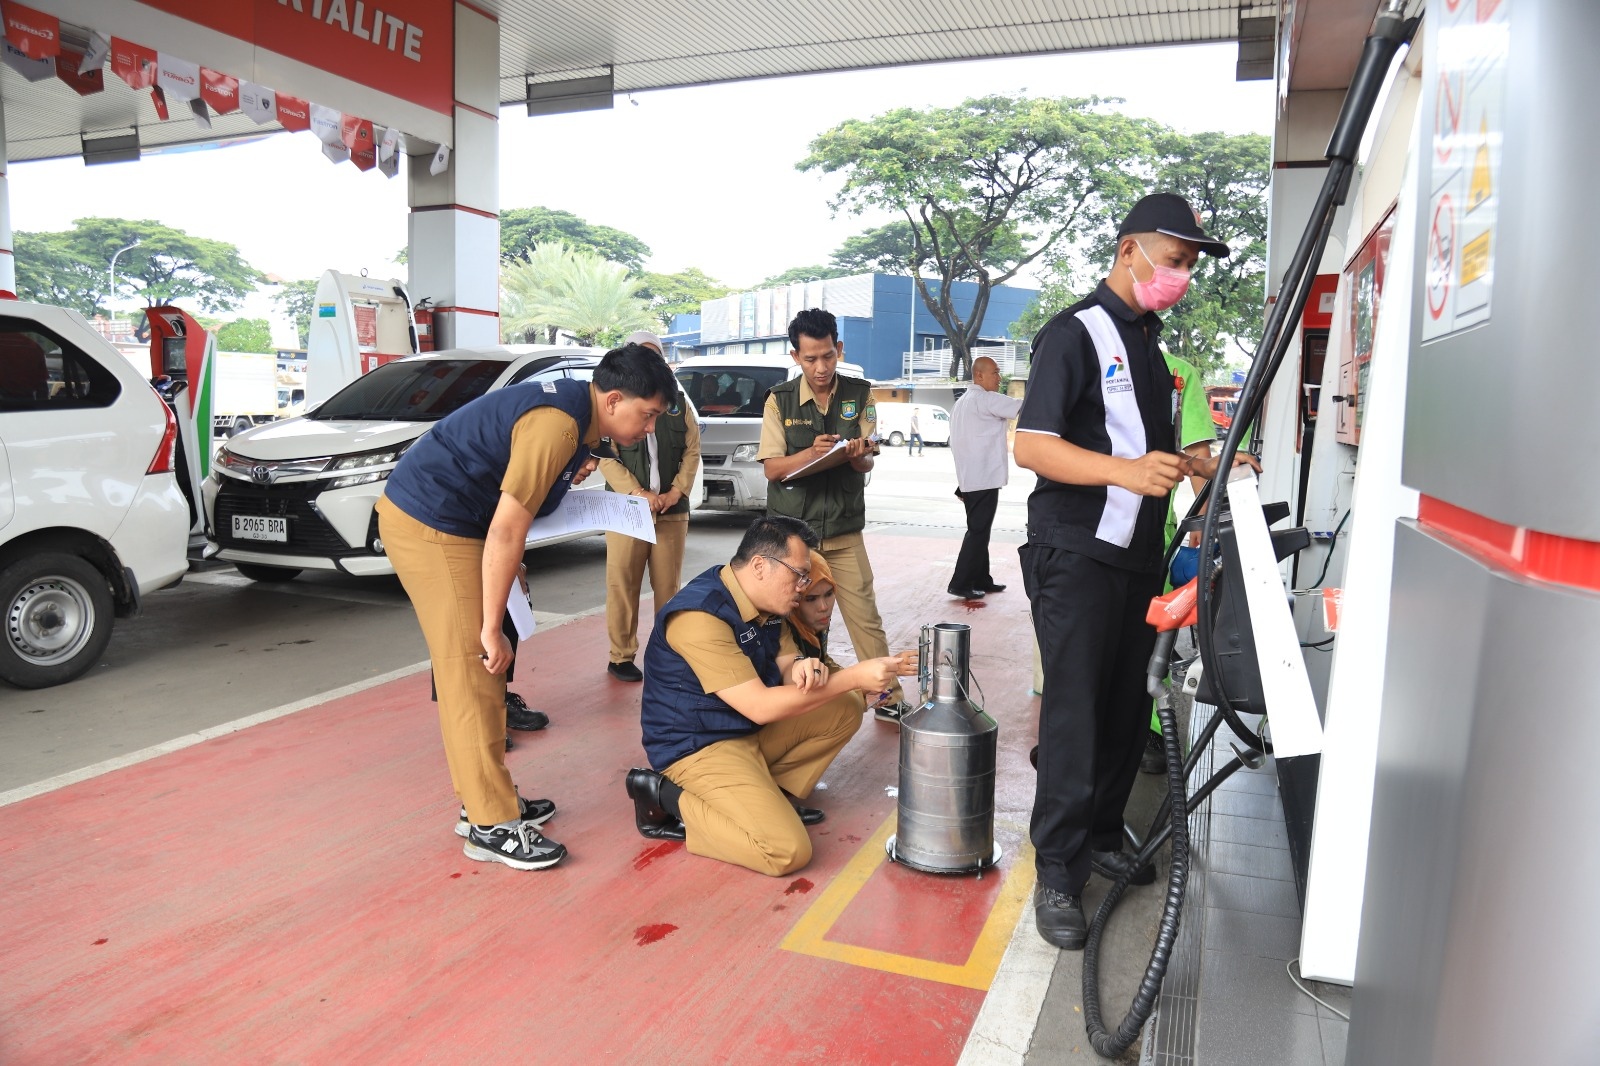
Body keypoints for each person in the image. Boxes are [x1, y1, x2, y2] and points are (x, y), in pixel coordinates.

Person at [1013, 193, 1257, 948]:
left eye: (1188, 265)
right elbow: (1033, 445)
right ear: (1130, 252)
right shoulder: (1074, 334)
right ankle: (1058, 865)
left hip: (1134, 559)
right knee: (1076, 708)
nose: (1181, 275)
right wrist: (1122, 471)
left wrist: (1196, 463)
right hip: (1077, 553)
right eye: (1175, 260)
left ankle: (1103, 832)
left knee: (1126, 702)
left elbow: (1145, 456)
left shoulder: (1148, 347)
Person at [377, 343, 678, 872]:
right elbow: (509, 525)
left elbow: (511, 509)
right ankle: (489, 826)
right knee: (473, 667)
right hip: (431, 523)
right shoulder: (558, 424)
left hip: (460, 524)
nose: (650, 428)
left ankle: (485, 800)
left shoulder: (579, 424)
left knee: (488, 673)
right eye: (647, 415)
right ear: (612, 400)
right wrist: (491, 626)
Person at [625, 515, 915, 876]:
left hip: (741, 731)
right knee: (785, 851)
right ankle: (665, 796)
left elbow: (784, 664)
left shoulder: (764, 601)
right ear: (761, 565)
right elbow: (760, 707)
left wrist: (803, 669)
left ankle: (769, 797)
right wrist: (853, 676)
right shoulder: (700, 617)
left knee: (843, 707)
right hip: (698, 747)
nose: (803, 586)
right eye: (799, 574)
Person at [758, 307, 912, 724]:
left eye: (827, 355)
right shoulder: (779, 399)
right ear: (795, 357)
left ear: (838, 348)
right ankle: (781, 697)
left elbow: (867, 462)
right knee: (785, 617)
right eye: (810, 358)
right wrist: (810, 454)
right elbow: (772, 468)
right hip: (792, 537)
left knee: (864, 615)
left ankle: (887, 696)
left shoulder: (860, 394)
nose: (821, 367)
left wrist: (858, 456)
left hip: (844, 530)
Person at [601, 330, 702, 682]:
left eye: (656, 355)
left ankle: (666, 652)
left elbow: (692, 449)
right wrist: (638, 492)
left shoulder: (677, 402)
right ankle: (621, 656)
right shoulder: (621, 402)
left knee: (668, 588)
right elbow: (605, 457)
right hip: (627, 512)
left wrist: (676, 492)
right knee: (622, 586)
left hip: (671, 512)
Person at [947, 355, 1023, 599]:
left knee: (980, 529)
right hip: (983, 479)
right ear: (979, 375)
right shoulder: (985, 399)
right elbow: (1021, 406)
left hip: (970, 478)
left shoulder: (962, 403)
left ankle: (982, 578)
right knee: (978, 532)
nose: (999, 378)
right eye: (995, 373)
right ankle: (960, 583)